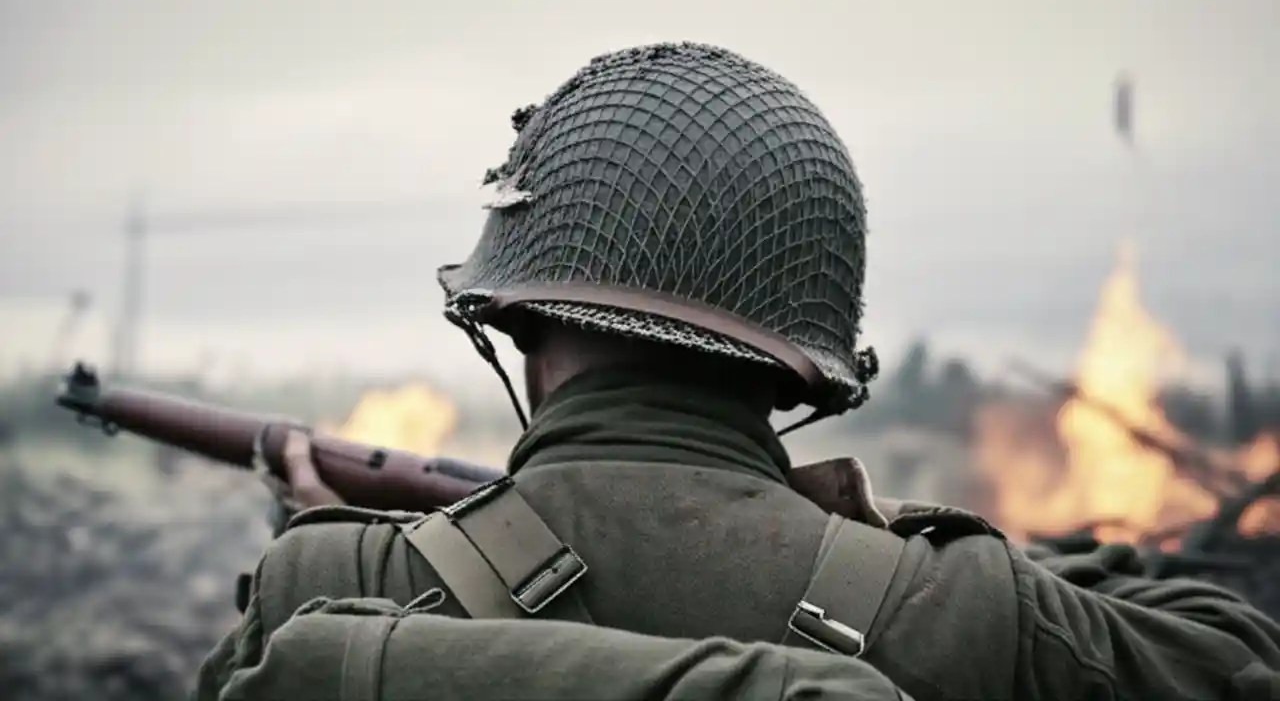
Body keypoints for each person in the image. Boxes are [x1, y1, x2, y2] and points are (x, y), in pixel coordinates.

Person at [197, 42, 1280, 700]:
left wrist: (347, 550)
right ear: (796, 375)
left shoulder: (322, 589)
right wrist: (928, 548)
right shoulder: (971, 613)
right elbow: (1230, 652)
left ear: (514, 321)